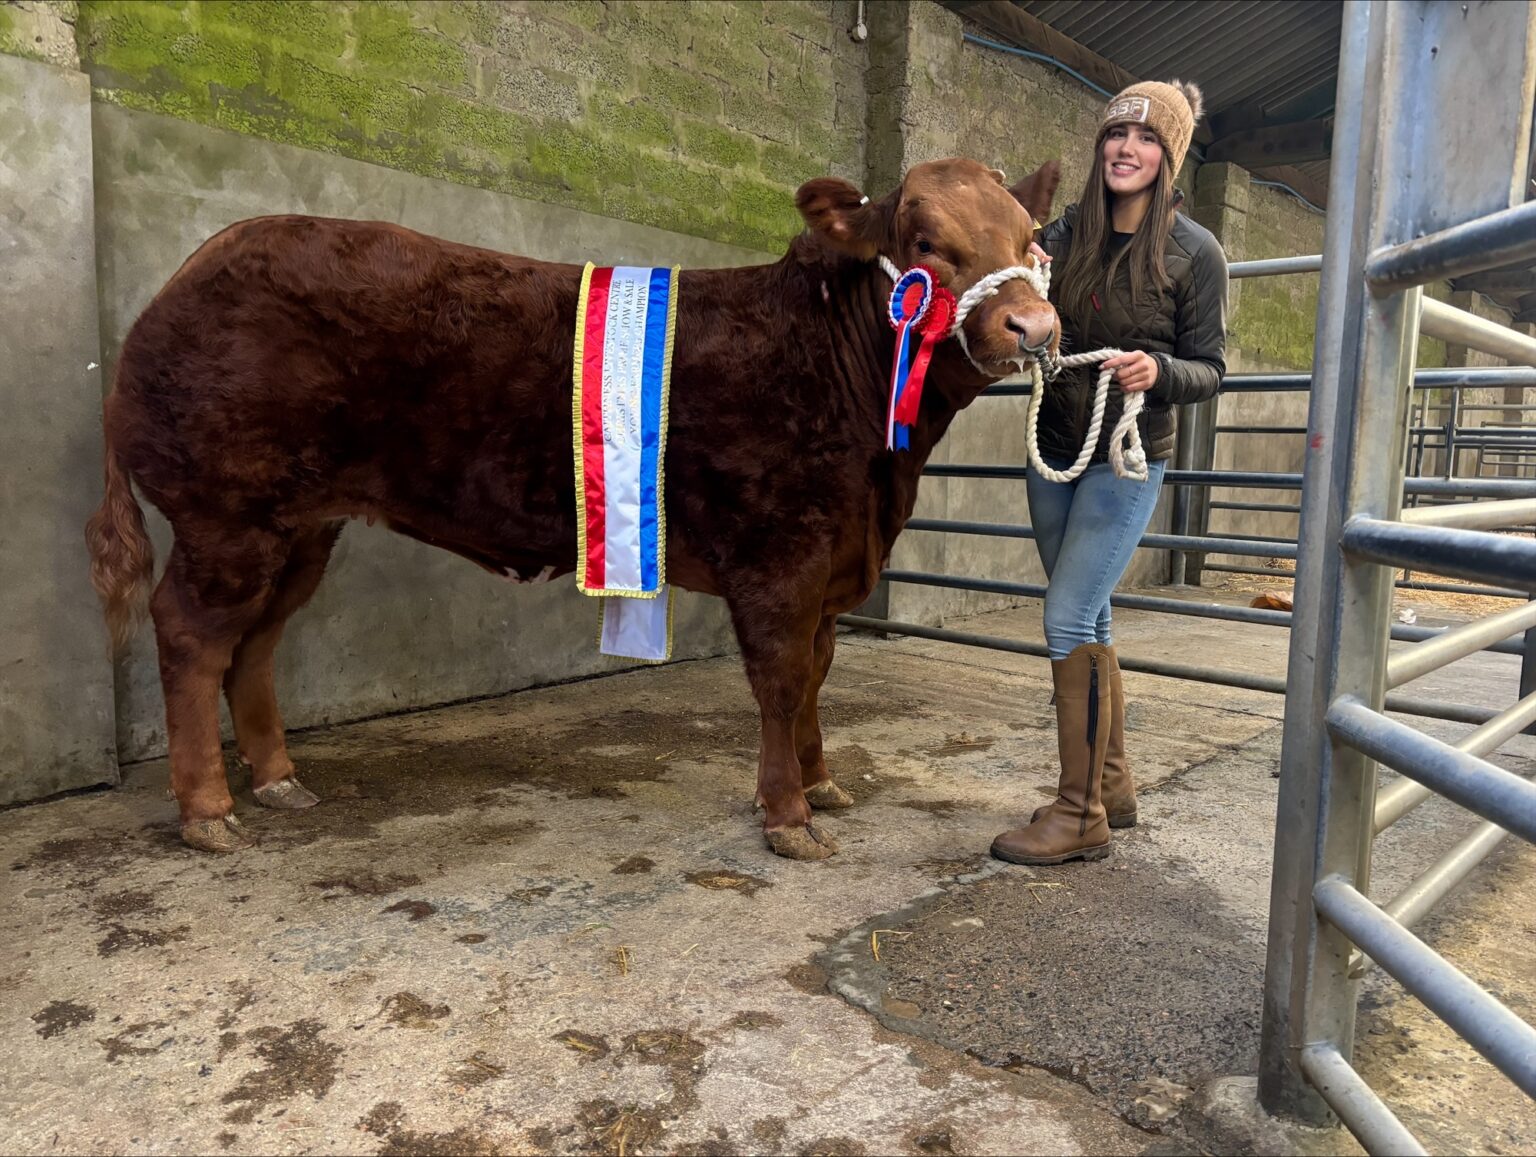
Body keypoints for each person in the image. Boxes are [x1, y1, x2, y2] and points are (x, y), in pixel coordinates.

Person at [991, 80, 1229, 867]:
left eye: (1148, 138)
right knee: (1089, 619)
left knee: (1065, 616)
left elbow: (1210, 369)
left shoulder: (1196, 253)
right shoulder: (1060, 236)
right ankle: (1113, 785)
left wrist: (1158, 370)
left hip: (1127, 455)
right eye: (1117, 134)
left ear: (1169, 156)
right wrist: (1021, 264)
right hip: (1057, 444)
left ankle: (1079, 812)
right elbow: (1016, 292)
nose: (1128, 148)